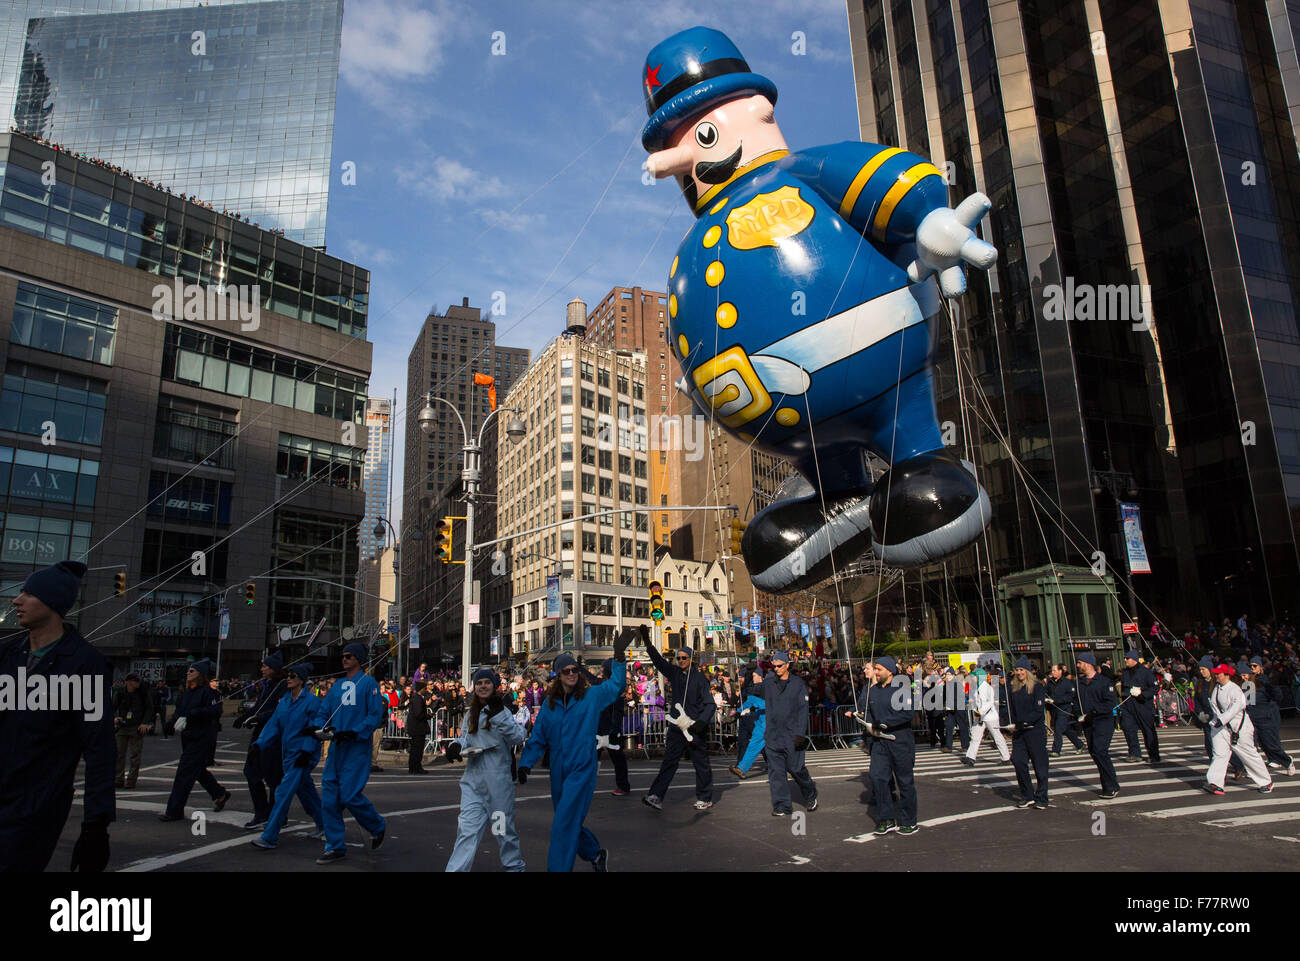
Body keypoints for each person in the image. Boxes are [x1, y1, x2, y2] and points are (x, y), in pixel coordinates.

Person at [0, 560, 114, 872]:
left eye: (28, 594)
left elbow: (99, 748)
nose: (16, 600)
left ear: (52, 603)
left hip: (35, 809)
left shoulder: (83, 663)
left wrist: (95, 826)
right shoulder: (7, 653)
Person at [517, 629, 630, 871]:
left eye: (574, 670)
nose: (571, 674)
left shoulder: (591, 696)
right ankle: (595, 854)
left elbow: (616, 685)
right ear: (557, 676)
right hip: (558, 771)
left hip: (582, 767)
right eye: (566, 671)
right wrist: (526, 763)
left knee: (563, 825)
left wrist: (619, 657)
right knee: (566, 821)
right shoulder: (549, 707)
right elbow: (538, 738)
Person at [444, 668, 526, 871]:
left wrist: (499, 715)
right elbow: (465, 738)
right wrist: (455, 746)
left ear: (493, 685)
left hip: (498, 784)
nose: (483, 686)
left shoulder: (502, 711)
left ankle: (514, 867)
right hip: (473, 782)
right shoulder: (471, 712)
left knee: (502, 831)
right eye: (479, 683)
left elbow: (517, 737)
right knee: (466, 831)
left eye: (487, 683)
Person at [315, 642, 388, 864]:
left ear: (358, 658)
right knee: (329, 799)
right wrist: (318, 728)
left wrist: (355, 733)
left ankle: (376, 825)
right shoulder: (336, 687)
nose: (344, 659)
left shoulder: (368, 684)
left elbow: (374, 716)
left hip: (356, 748)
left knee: (349, 795)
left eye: (348, 656)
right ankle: (335, 845)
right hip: (337, 748)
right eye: (343, 656)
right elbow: (323, 711)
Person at [250, 662, 326, 850]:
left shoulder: (312, 702)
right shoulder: (284, 702)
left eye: (292, 676)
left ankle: (270, 835)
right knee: (305, 792)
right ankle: (325, 824)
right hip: (288, 754)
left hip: (302, 755)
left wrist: (307, 751)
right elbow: (274, 725)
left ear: (301, 680)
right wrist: (260, 744)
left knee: (283, 793)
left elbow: (314, 728)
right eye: (288, 676)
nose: (288, 679)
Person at [643, 637, 715, 810]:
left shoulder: (699, 679)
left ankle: (705, 797)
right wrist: (647, 642)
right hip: (676, 725)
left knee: (700, 762)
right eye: (679, 658)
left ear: (691, 659)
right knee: (669, 760)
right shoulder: (675, 673)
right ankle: (656, 795)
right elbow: (659, 662)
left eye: (684, 658)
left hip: (693, 726)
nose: (681, 660)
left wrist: (701, 722)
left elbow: (710, 704)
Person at [160, 659, 232, 821]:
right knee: (197, 769)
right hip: (188, 735)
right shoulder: (186, 692)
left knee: (184, 772)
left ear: (200, 674)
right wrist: (170, 723)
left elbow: (215, 710)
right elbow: (179, 711)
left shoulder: (208, 692)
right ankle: (219, 793)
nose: (188, 673)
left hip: (202, 736)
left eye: (192, 671)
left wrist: (196, 713)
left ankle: (174, 810)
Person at [861, 656, 917, 835]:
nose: (875, 672)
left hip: (900, 742)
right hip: (879, 743)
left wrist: (883, 723)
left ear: (890, 671)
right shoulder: (873, 691)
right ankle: (886, 819)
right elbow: (869, 712)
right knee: (877, 778)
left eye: (878, 669)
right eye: (875, 669)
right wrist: (866, 724)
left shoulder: (902, 688)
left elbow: (906, 714)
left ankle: (909, 821)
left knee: (905, 782)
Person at [233, 652, 287, 830]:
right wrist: (244, 717)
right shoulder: (266, 685)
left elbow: (279, 711)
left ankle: (275, 814)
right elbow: (258, 707)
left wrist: (259, 718)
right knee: (251, 772)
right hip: (259, 735)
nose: (262, 669)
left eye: (265, 666)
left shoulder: (282, 686)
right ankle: (262, 811)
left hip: (273, 737)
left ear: (274, 669)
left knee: (274, 777)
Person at [760, 651, 818, 816]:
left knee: (796, 768)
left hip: (792, 736)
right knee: (776, 772)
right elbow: (755, 690)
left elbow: (803, 709)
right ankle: (781, 805)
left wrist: (800, 733)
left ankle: (810, 793)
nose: (776, 669)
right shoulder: (769, 683)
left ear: (787, 665)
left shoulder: (798, 684)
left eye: (779, 666)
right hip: (773, 735)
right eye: (774, 666)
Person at [1204, 663, 1272, 795]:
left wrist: (1221, 719)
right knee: (1219, 754)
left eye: (1219, 673)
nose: (1216, 675)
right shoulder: (1216, 688)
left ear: (1227, 675)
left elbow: (1237, 707)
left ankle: (1266, 782)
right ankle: (1215, 783)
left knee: (1248, 755)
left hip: (1239, 728)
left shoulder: (1234, 689)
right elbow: (1215, 708)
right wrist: (1214, 720)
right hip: (1221, 728)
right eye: (1216, 673)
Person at [1075, 652, 1120, 799]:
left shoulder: (1103, 682)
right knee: (1094, 752)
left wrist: (1095, 712)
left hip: (1103, 721)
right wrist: (1078, 714)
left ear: (1088, 664)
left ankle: (1110, 786)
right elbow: (1076, 702)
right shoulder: (1080, 683)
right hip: (1088, 722)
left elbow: (1110, 703)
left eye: (1080, 662)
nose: (1077, 665)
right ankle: (1109, 784)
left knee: (1100, 751)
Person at [1007, 657, 1049, 809]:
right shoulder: (1014, 689)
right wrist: (1011, 724)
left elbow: (1038, 711)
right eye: (1017, 670)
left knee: (1040, 765)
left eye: (1021, 670)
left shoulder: (1037, 687)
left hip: (1034, 731)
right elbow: (1012, 710)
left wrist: (1024, 722)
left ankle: (1042, 797)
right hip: (1019, 732)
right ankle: (1027, 794)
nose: (1019, 673)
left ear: (1027, 671)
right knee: (1018, 760)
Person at [1246, 657, 1294, 775]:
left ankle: (1287, 761)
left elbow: (1277, 697)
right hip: (1252, 718)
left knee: (1271, 744)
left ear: (1260, 667)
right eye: (1250, 666)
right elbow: (1248, 702)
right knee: (1252, 745)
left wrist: (1270, 687)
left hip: (1265, 717)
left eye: (1254, 666)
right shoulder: (1248, 683)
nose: (1252, 668)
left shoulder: (1266, 680)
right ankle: (1252, 769)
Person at [594, 658, 631, 796]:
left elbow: (618, 710)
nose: (601, 672)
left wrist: (614, 729)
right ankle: (585, 784)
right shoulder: (605, 684)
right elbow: (592, 679)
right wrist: (580, 668)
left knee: (618, 759)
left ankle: (623, 786)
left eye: (603, 669)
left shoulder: (616, 688)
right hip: (601, 728)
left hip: (610, 730)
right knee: (592, 758)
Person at [113, 673, 156, 789]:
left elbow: (149, 707)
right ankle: (118, 779)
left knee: (135, 755)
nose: (137, 683)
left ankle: (131, 780)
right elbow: (112, 706)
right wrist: (115, 717)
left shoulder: (142, 692)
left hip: (136, 726)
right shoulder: (121, 692)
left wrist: (144, 723)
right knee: (119, 754)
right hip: (122, 726)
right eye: (135, 681)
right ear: (128, 682)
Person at [1118, 649, 1161, 763]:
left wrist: (1143, 694)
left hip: (1143, 705)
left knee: (1148, 730)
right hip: (1128, 705)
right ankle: (1134, 753)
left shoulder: (1146, 672)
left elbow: (1155, 688)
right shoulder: (1125, 673)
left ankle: (1153, 754)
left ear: (1134, 660)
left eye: (1128, 658)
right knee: (1128, 728)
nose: (1125, 660)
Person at [962, 668, 1010, 766]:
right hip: (980, 716)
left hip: (990, 717)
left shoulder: (987, 688)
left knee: (997, 736)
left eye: (974, 676)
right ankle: (970, 757)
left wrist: (980, 712)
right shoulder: (976, 688)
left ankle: (1005, 757)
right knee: (975, 736)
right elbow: (976, 701)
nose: (972, 678)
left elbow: (990, 702)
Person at [730, 669, 767, 778]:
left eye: (755, 675)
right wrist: (738, 712)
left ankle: (788, 769)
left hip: (770, 720)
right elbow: (750, 701)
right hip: (760, 720)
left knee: (776, 747)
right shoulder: (754, 688)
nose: (753, 678)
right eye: (753, 676)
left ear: (761, 676)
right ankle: (742, 768)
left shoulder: (767, 686)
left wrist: (752, 707)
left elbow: (770, 703)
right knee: (754, 745)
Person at [1045, 663, 1084, 757]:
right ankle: (1080, 744)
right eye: (1052, 671)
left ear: (1060, 671)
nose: (1052, 672)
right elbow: (1045, 692)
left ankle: (1056, 750)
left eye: (1054, 670)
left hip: (1064, 709)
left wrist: (1057, 701)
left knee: (1058, 729)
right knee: (1066, 729)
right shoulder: (1050, 683)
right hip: (1054, 709)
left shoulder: (1067, 682)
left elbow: (1071, 696)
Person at [942, 668, 971, 753]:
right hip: (950, 710)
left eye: (949, 674)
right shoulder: (946, 685)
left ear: (953, 675)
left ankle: (965, 745)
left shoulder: (957, 684)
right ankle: (948, 746)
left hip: (959, 708)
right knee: (948, 726)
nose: (947, 676)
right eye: (946, 675)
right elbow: (944, 697)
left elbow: (960, 697)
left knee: (963, 727)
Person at [407, 680, 431, 774]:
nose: (426, 690)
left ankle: (413, 767)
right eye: (425, 688)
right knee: (417, 749)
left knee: (415, 748)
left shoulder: (417, 698)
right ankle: (416, 767)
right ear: (421, 689)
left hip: (416, 727)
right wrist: (427, 716)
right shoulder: (417, 698)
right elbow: (418, 713)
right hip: (417, 728)